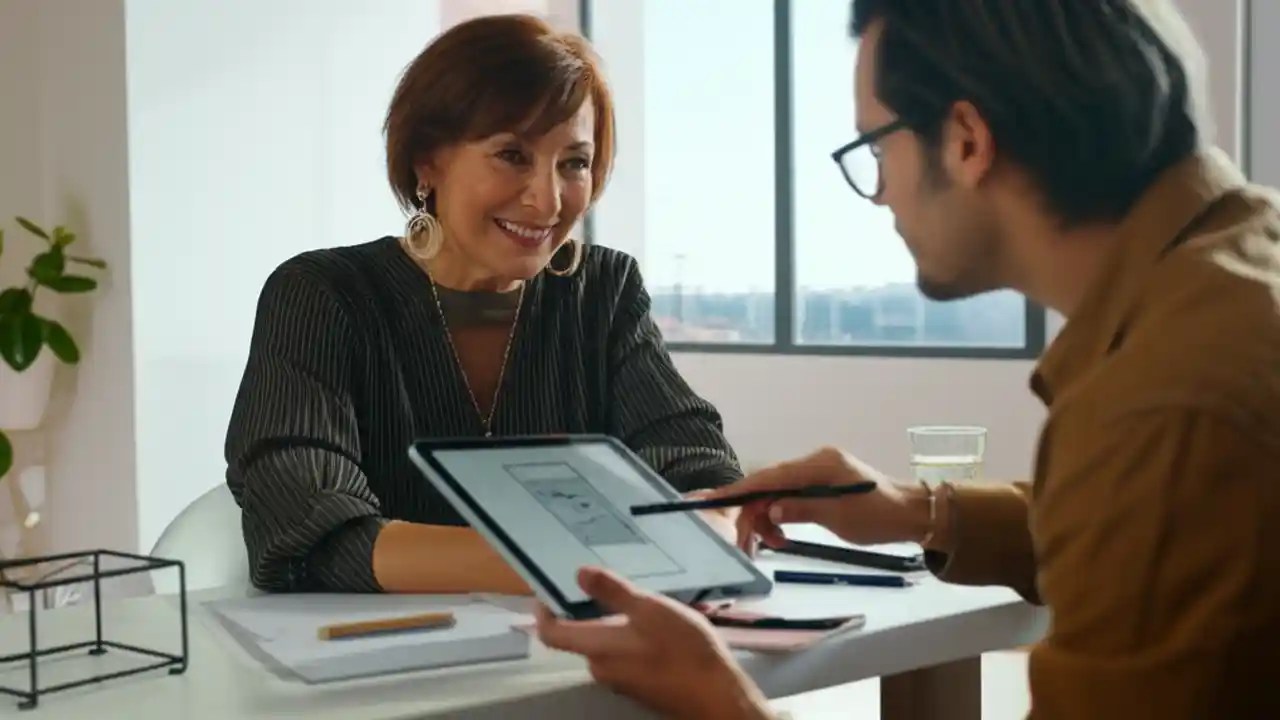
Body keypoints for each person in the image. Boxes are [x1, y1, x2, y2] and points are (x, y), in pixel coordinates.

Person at [535, 1, 1280, 718]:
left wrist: (721, 704)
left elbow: (1159, 479)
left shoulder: (1166, 406)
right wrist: (920, 512)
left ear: (964, 139)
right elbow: (1146, 521)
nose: (881, 192)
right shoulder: (1239, 276)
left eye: (876, 146)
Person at [224, 14, 742, 596]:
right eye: (512, 155)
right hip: (380, 666)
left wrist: (711, 529)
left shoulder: (605, 290)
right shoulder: (322, 295)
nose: (547, 200)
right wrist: (579, 565)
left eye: (573, 162)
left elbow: (695, 460)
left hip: (581, 661)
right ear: (428, 160)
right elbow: (305, 527)